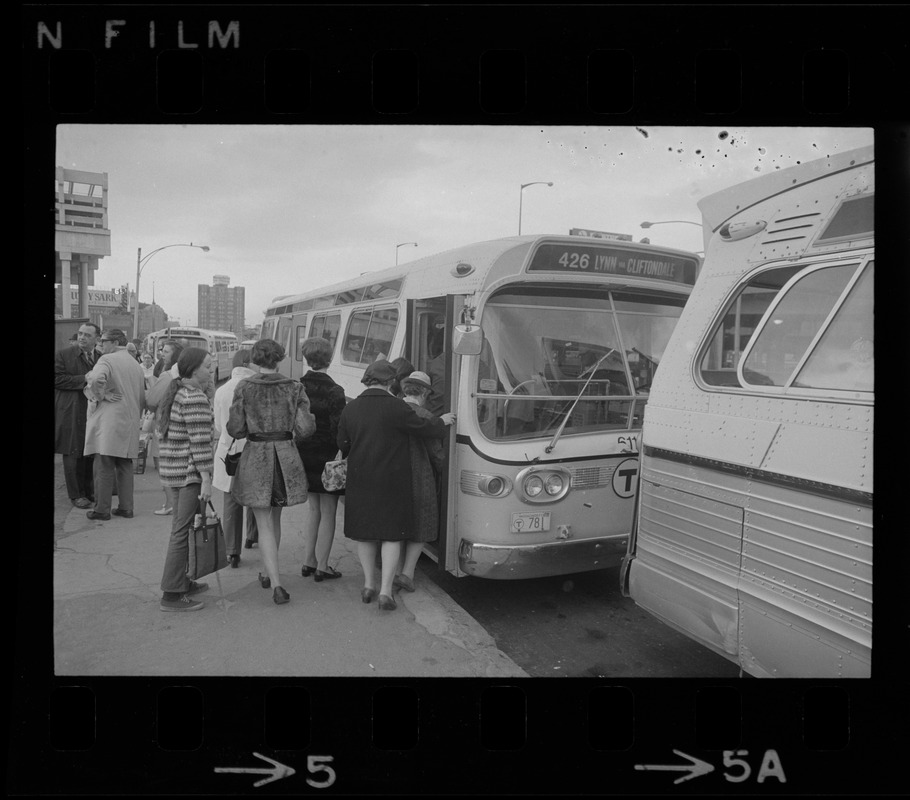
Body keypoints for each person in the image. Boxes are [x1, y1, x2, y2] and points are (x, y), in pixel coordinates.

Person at [337, 360, 454, 610]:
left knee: (365, 535)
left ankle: (368, 585)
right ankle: (385, 592)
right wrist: (442, 422)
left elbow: (343, 444)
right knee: (391, 536)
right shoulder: (397, 407)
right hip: (392, 479)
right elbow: (424, 427)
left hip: (360, 478)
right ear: (391, 381)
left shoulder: (351, 408)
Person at [227, 339, 316, 605]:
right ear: (279, 358)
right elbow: (306, 429)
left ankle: (275, 582)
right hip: (285, 458)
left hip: (256, 458)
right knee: (275, 519)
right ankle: (268, 574)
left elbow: (235, 429)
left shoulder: (244, 387)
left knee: (263, 523)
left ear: (255, 359)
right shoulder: (294, 387)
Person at [157, 348, 217, 612]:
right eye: (207, 366)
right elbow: (200, 443)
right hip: (188, 474)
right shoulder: (194, 398)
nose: (211, 370)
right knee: (181, 533)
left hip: (174, 471)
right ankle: (171, 594)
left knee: (180, 529)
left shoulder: (178, 392)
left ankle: (182, 581)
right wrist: (206, 480)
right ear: (194, 370)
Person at [83, 328, 146, 521]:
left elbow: (95, 379)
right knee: (125, 464)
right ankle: (126, 508)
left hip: (109, 420)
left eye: (103, 341)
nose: (100, 344)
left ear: (115, 342)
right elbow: (141, 396)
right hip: (130, 420)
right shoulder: (135, 364)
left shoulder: (107, 360)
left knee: (104, 464)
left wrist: (101, 395)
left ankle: (102, 510)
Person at [297, 337, 346, 582]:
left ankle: (309, 560)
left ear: (307, 358)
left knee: (313, 509)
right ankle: (323, 566)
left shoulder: (298, 386)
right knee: (329, 512)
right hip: (328, 456)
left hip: (304, 453)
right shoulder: (335, 391)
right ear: (329, 358)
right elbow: (339, 429)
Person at [395, 371, 446, 593]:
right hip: (421, 477)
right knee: (422, 524)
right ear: (424, 393)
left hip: (394, 476)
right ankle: (407, 573)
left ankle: (395, 569)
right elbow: (437, 455)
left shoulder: (392, 411)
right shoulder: (427, 416)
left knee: (397, 525)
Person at [212, 347, 259, 568]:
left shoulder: (221, 390)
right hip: (252, 447)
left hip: (228, 447)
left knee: (231, 498)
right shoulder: (255, 388)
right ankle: (252, 535)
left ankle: (232, 551)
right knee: (255, 495)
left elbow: (218, 426)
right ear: (248, 364)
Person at [55, 322, 101, 509]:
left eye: (87, 335)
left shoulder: (100, 358)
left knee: (89, 451)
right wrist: (84, 379)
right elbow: (57, 379)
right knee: (72, 451)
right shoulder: (64, 355)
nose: (82, 337)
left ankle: (88, 491)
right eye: (80, 333)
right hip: (71, 410)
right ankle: (76, 495)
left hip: (93, 410)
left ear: (97, 339)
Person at [144, 340, 184, 513]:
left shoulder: (167, 375)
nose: (162, 354)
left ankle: (170, 504)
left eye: (166, 352)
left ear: (174, 355)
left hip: (165, 423)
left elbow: (152, 400)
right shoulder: (189, 373)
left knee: (164, 464)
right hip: (183, 425)